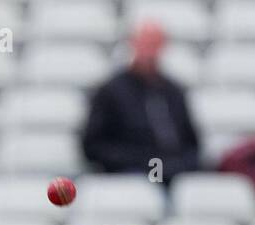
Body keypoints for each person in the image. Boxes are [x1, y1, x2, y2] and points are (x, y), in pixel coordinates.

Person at [82, 20, 201, 182]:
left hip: (174, 174)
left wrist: (177, 165)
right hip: (129, 175)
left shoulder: (174, 91)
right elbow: (94, 146)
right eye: (145, 43)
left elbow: (191, 144)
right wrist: (142, 162)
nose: (150, 51)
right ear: (133, 44)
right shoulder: (111, 91)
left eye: (155, 44)